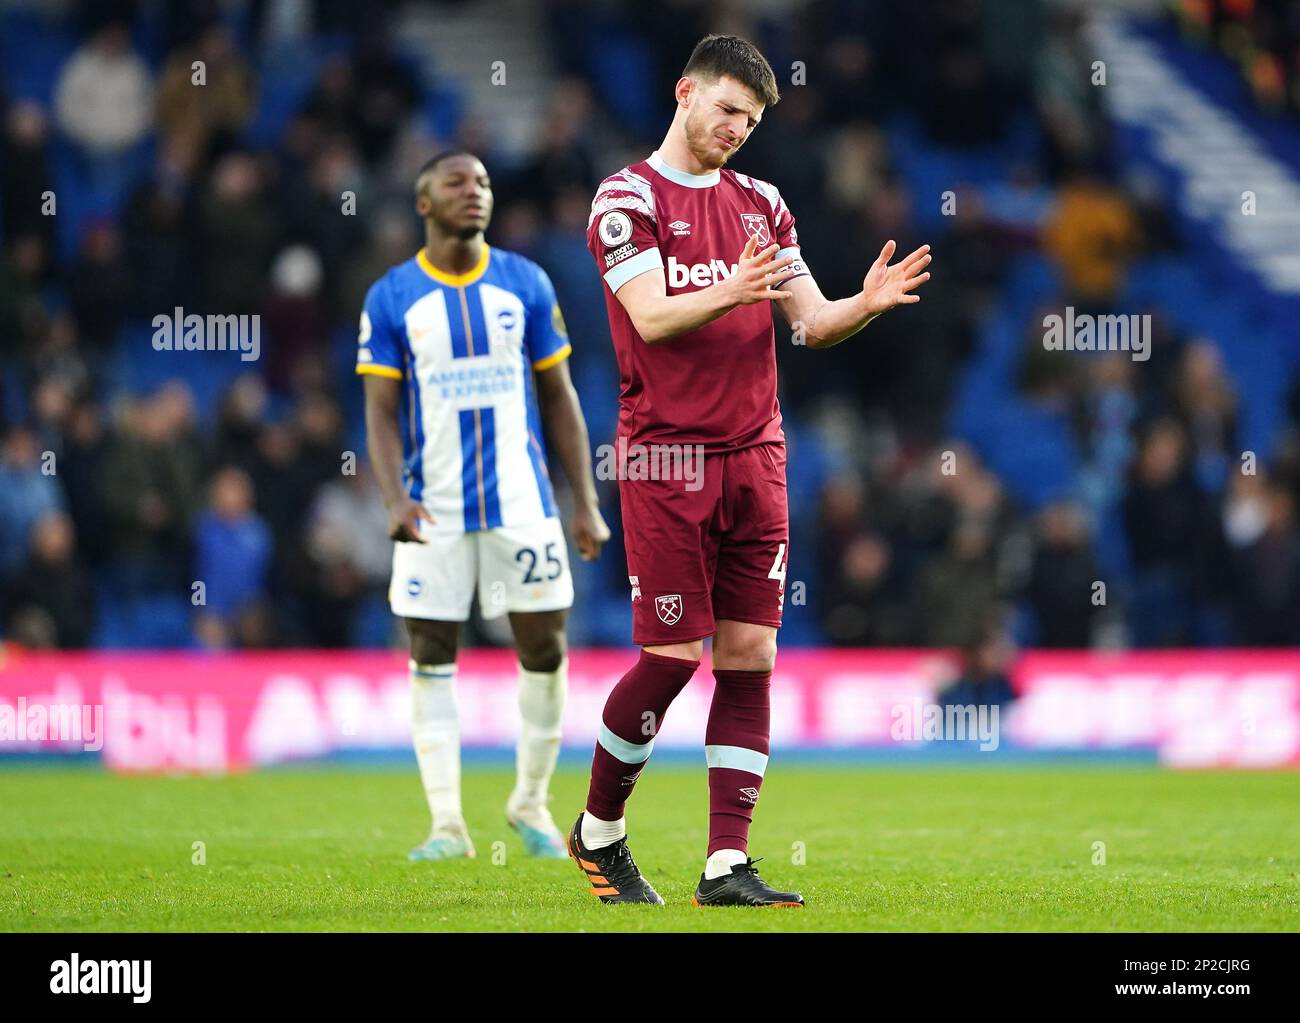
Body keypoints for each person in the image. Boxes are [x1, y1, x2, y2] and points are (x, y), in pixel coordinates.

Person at [571, 34, 931, 906]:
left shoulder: (763, 202)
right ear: (685, 91)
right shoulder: (625, 199)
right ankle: (598, 830)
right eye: (728, 109)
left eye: (753, 119)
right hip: (664, 456)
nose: (738, 129)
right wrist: (734, 290)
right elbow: (652, 316)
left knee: (750, 653)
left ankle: (726, 863)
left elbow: (807, 320)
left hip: (755, 454)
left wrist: (861, 308)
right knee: (668, 658)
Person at [358, 151, 609, 861]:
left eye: (484, 183)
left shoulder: (525, 282)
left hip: (523, 503)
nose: (475, 192)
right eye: (456, 183)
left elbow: (558, 397)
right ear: (423, 203)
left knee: (546, 645)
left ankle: (529, 801)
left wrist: (584, 501)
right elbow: (378, 411)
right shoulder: (392, 296)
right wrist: (393, 497)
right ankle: (447, 825)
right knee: (431, 651)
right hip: (433, 506)